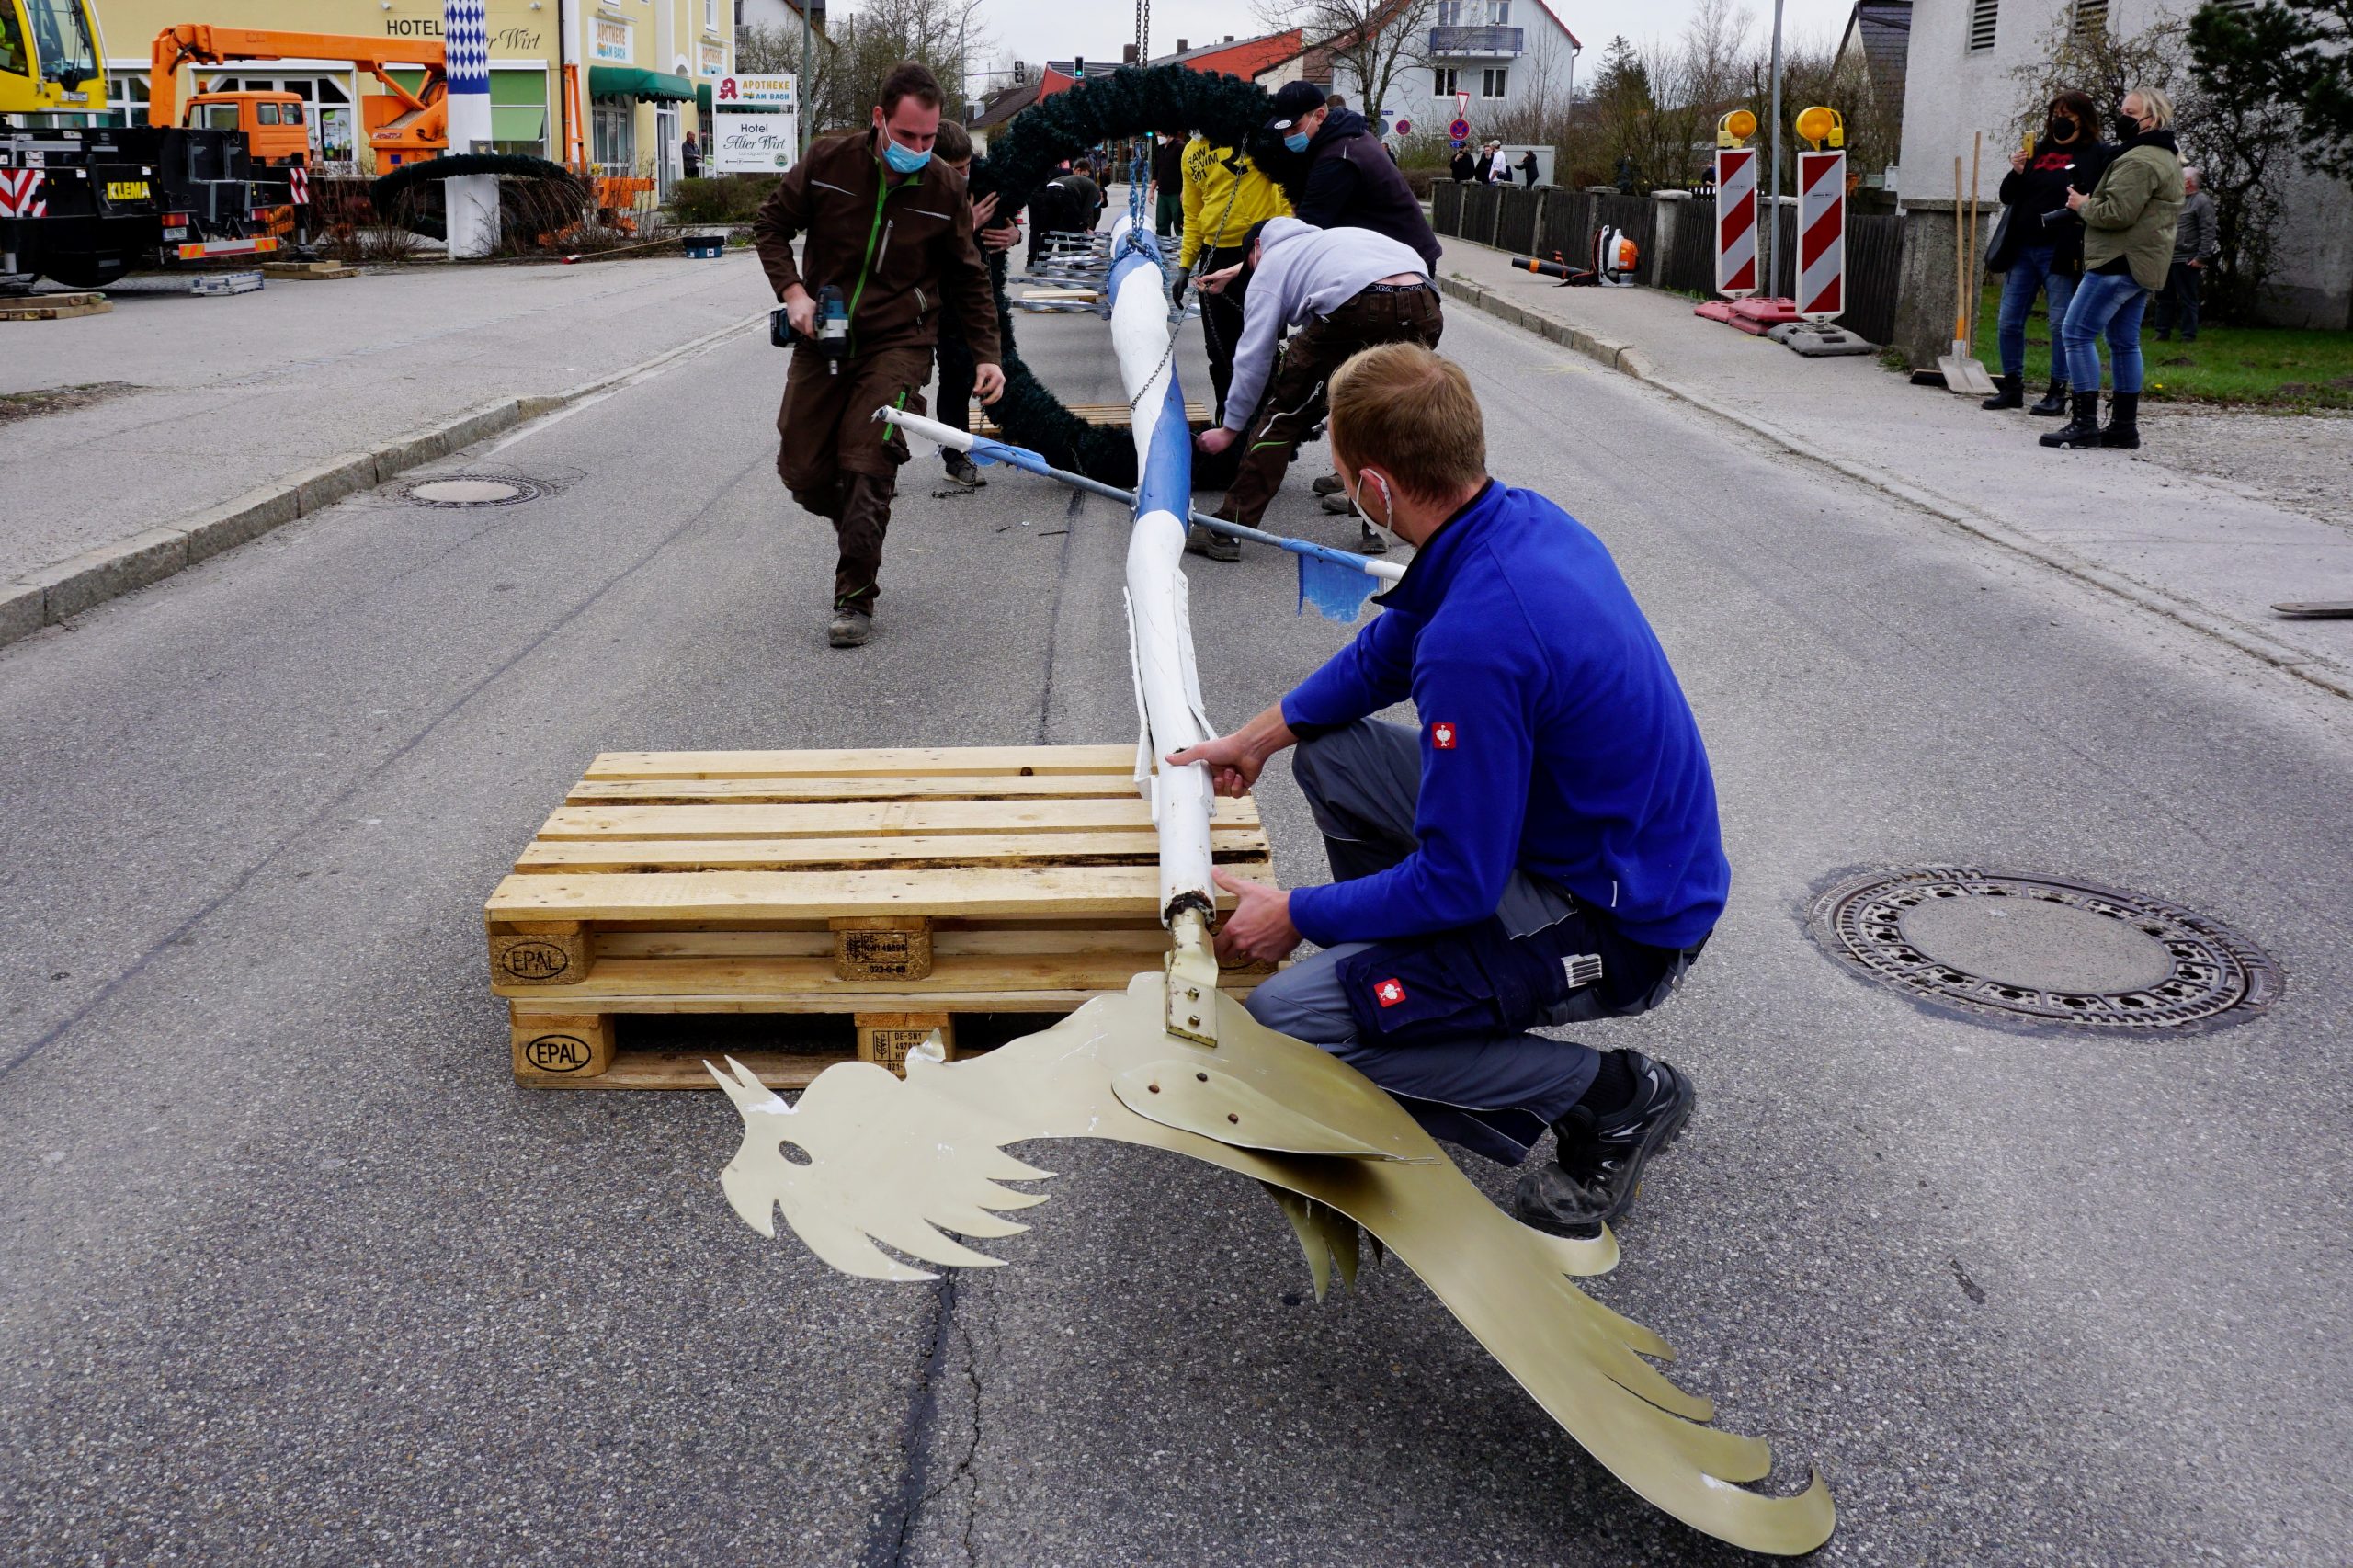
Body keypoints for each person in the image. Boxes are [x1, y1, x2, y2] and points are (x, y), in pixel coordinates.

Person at [1167, 341, 1722, 1239]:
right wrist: (1257, 738)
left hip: (1622, 921)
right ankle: (1416, 987)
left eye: (1344, 473)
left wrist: (1301, 913)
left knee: (1283, 1022)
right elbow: (1387, 652)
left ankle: (1612, 1095)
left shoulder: (1479, 641)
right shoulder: (1514, 523)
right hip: (1575, 846)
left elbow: (1460, 880)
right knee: (1334, 754)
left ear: (1376, 487)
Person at [753, 62, 1003, 649]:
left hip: (900, 340)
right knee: (804, 471)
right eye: (908, 135)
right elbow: (770, 225)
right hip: (825, 336)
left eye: (928, 138)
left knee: (869, 462)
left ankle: (854, 598)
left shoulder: (945, 187)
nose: (919, 149)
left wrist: (988, 355)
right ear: (879, 119)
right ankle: (856, 531)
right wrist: (793, 294)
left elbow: (969, 278)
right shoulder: (828, 162)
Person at [1194, 217, 1442, 557]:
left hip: (1358, 305)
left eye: (1250, 266)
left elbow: (1255, 355)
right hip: (1423, 302)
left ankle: (1228, 530)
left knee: (1284, 417)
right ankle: (1379, 525)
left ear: (1257, 248)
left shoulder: (1271, 265)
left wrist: (1231, 427)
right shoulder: (1331, 241)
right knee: (1381, 412)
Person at [2043, 85, 2182, 452]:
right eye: (2124, 111)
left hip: (2117, 261)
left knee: (2075, 333)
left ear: (2153, 119)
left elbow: (2116, 214)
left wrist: (2082, 205)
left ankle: (2085, 424)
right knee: (2123, 342)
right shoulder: (2165, 156)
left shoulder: (2138, 160)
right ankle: (2123, 427)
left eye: (2132, 114)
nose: (2123, 119)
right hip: (2142, 263)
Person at [1984, 91, 2111, 414]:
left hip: (2062, 249)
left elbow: (2101, 197)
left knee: (2059, 323)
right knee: (2008, 321)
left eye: (2068, 114)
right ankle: (2012, 386)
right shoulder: (2039, 150)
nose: (2060, 120)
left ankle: (2058, 391)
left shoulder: (2096, 153)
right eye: (2056, 113)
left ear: (2084, 118)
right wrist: (2016, 171)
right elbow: (2007, 196)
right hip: (2023, 247)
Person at [1175, 130, 1292, 428]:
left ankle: (1264, 426)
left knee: (1262, 349)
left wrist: (1281, 242)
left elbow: (1284, 190)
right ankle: (1228, 421)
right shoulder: (1190, 151)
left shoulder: (1252, 134)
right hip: (1215, 253)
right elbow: (1192, 213)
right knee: (1218, 350)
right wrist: (1185, 265)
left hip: (1258, 248)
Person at [930, 119, 1024, 490]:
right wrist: (963, 228)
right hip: (932, 297)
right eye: (955, 171)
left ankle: (958, 452)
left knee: (968, 373)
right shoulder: (919, 190)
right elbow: (915, 250)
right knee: (929, 378)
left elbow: (1010, 220)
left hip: (976, 296)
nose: (964, 175)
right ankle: (881, 460)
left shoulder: (984, 182)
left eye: (967, 166)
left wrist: (1014, 234)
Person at [2155, 165, 2216, 342]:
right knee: (2163, 297)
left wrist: (2201, 257)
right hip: (2166, 258)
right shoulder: (2173, 200)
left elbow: (2208, 231)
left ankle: (2188, 335)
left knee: (2188, 299)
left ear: (2187, 182)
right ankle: (2162, 332)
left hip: (2187, 259)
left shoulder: (2202, 201)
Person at [1150, 131, 1185, 238]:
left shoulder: (1180, 147)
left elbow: (1186, 171)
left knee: (1179, 223)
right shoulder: (1159, 149)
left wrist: (1184, 190)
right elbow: (1156, 171)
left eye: (1160, 134)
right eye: (1157, 134)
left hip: (1176, 193)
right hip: (1163, 193)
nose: (1158, 136)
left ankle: (1183, 251)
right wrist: (1151, 191)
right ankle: (1164, 250)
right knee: (1161, 225)